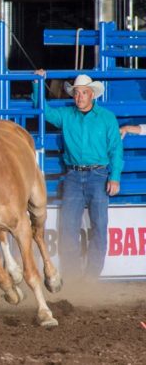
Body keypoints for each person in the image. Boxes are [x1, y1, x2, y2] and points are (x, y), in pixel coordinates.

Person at [32, 70, 123, 280]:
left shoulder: (106, 118)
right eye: (76, 93)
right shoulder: (66, 115)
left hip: (99, 175)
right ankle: (73, 277)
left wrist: (115, 176)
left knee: (99, 227)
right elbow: (43, 110)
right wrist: (38, 83)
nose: (79, 97)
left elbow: (116, 150)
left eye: (83, 93)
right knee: (68, 228)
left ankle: (91, 278)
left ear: (92, 94)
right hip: (73, 176)